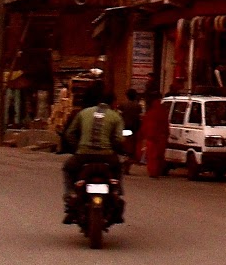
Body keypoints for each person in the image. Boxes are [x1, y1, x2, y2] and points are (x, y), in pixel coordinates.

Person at [60, 87, 125, 223]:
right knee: (118, 168)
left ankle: (70, 193)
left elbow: (69, 133)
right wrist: (115, 148)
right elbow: (119, 139)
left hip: (83, 155)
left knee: (67, 168)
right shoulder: (116, 116)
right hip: (107, 156)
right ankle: (117, 191)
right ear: (113, 103)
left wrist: (77, 148)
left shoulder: (84, 113)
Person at [140, 88, 169, 177]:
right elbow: (165, 123)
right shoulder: (163, 110)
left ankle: (153, 172)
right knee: (159, 155)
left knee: (152, 156)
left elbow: (146, 124)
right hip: (161, 136)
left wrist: (144, 135)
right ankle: (157, 171)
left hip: (151, 136)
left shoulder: (151, 110)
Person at [116, 88, 144, 168]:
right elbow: (139, 118)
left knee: (124, 145)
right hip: (134, 129)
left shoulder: (123, 105)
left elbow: (119, 116)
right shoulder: (138, 106)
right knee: (131, 148)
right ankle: (128, 164)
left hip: (124, 128)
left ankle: (124, 163)